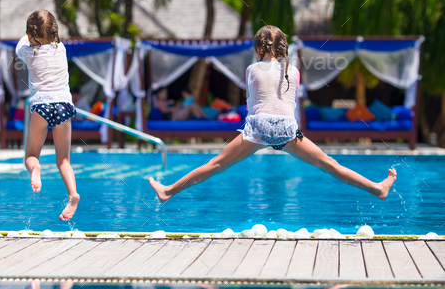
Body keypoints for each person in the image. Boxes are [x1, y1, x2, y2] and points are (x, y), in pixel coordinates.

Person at [149, 25, 397, 202]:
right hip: (287, 129)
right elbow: (287, 104)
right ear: (283, 48)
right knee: (330, 164)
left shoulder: (251, 69)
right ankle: (377, 188)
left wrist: (253, 131)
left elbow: (252, 103)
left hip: (258, 127)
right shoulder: (296, 72)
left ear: (258, 49)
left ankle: (168, 191)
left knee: (215, 164)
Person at [16, 10, 79, 221]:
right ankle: (72, 194)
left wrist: (29, 35)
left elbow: (20, 44)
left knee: (31, 155)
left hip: (41, 106)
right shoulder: (61, 49)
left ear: (29, 34)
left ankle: (36, 169)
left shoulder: (27, 51)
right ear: (55, 33)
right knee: (64, 160)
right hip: (63, 105)